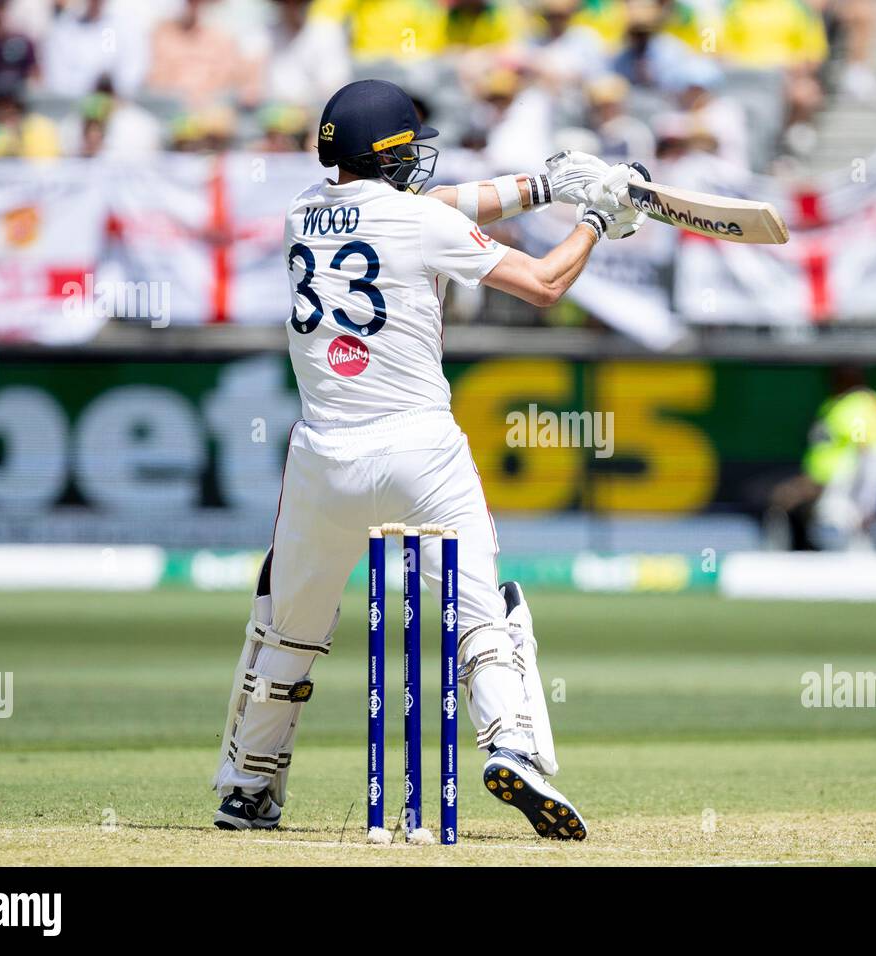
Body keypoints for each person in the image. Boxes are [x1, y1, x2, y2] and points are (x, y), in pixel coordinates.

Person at [211, 79, 646, 841]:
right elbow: (544, 284)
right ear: (386, 155)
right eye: (407, 152)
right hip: (420, 449)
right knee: (484, 610)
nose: (418, 164)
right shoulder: (417, 221)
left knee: (288, 630)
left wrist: (546, 182)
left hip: (321, 458)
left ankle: (247, 785)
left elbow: (433, 209)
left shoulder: (300, 212)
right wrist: (594, 220)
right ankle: (511, 743)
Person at [767, 367, 876, 552]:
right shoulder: (835, 403)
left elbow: (864, 447)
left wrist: (865, 500)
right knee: (786, 503)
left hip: (841, 484)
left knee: (836, 521)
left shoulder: (859, 404)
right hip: (819, 480)